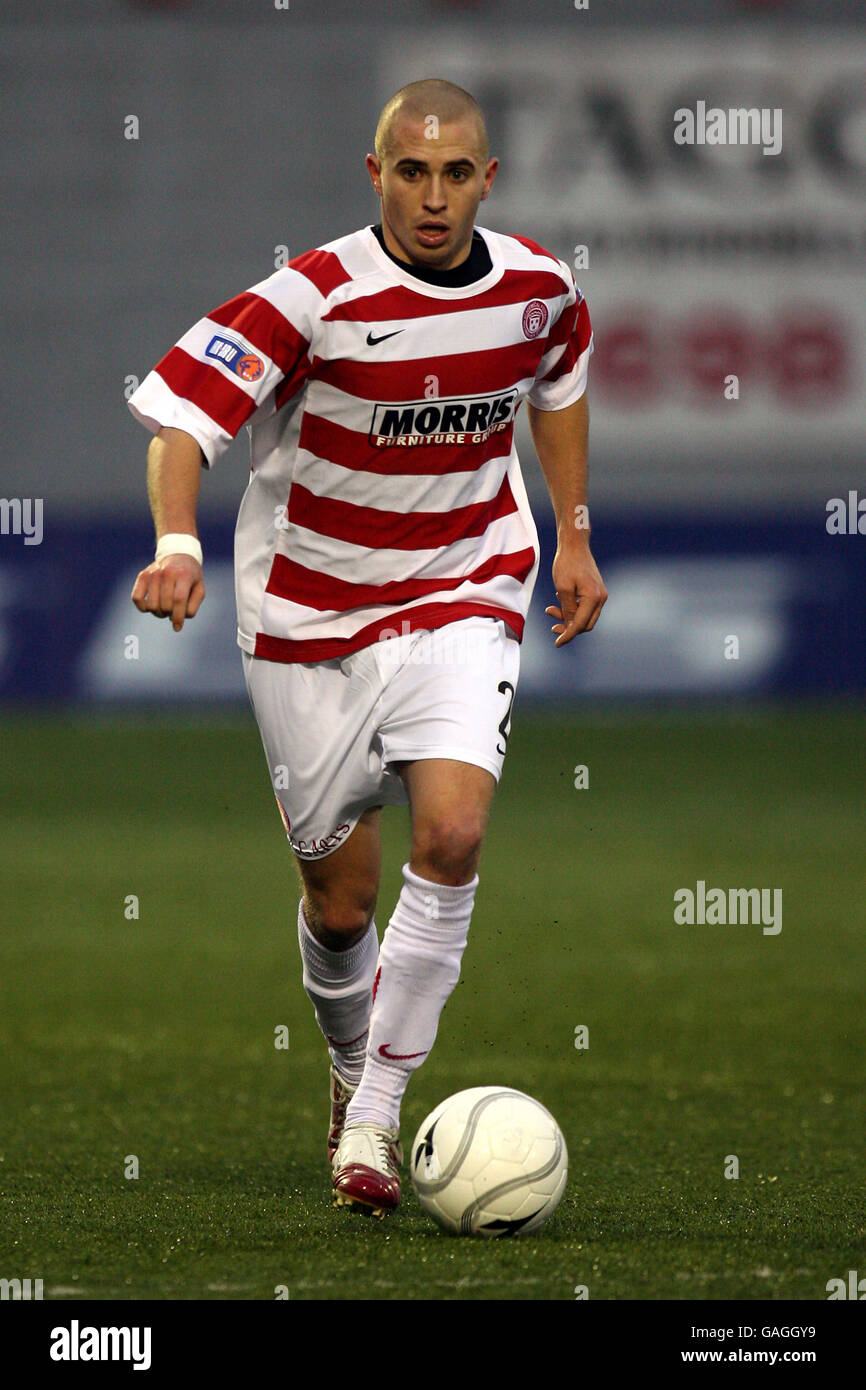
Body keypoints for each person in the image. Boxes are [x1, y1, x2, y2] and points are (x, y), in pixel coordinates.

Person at [129, 78, 606, 1218]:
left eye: (455, 174)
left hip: (463, 586)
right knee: (341, 905)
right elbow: (182, 421)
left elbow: (559, 382)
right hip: (306, 622)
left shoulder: (539, 288)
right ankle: (349, 1061)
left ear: (485, 179)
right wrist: (177, 541)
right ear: (375, 174)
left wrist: (573, 533)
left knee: (450, 831)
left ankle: (374, 1117)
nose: (433, 196)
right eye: (410, 171)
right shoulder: (311, 296)